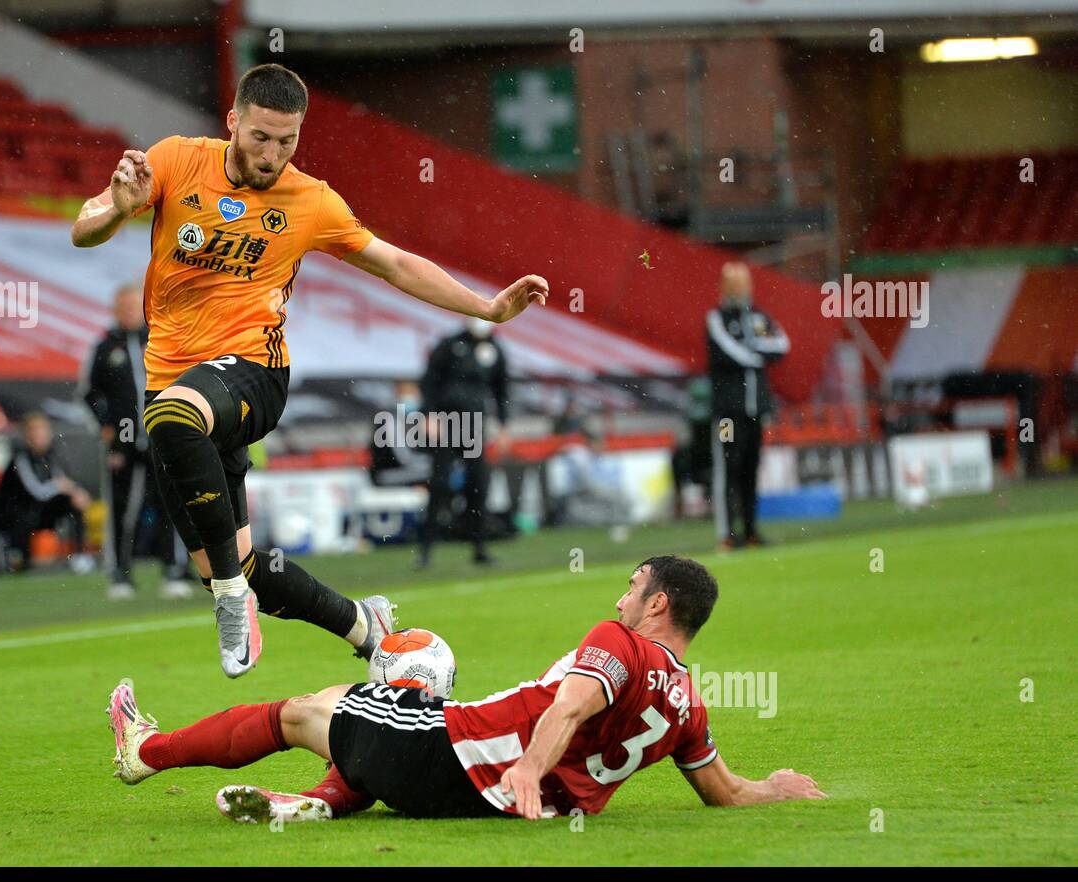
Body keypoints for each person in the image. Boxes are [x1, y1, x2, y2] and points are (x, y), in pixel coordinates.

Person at [70, 63, 548, 678]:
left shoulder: (311, 200)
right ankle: (361, 626)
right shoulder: (174, 160)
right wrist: (118, 211)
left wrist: (486, 307)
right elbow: (85, 228)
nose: (272, 154)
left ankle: (228, 599)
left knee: (173, 421)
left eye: (287, 140)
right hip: (176, 383)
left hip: (254, 374)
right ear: (233, 121)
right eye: (261, 137)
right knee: (231, 561)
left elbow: (394, 263)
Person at [107, 555, 826, 822]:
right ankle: (324, 800)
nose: (619, 601)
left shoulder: (620, 645)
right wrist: (779, 786)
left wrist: (528, 764)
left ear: (659, 606)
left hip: (461, 757)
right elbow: (725, 792)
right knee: (370, 724)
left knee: (305, 710)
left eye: (633, 588)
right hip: (493, 798)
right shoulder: (688, 705)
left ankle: (148, 750)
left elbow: (573, 705)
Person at [81, 283, 193, 600]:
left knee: (172, 504)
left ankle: (176, 570)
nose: (130, 313)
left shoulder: (162, 338)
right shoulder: (104, 348)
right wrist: (105, 426)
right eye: (124, 307)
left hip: (163, 435)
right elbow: (89, 394)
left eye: (134, 306)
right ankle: (120, 575)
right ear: (115, 311)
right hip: (123, 441)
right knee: (123, 509)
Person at [706, 262, 790, 550]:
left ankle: (751, 530)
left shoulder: (758, 317)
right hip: (729, 412)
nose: (741, 289)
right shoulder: (716, 318)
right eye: (734, 284)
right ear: (724, 287)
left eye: (744, 283)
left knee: (751, 470)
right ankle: (727, 534)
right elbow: (731, 353)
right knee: (728, 469)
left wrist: (756, 349)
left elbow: (781, 345)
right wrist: (757, 354)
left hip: (756, 410)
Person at [417, 318, 512, 568]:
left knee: (478, 485)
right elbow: (429, 381)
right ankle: (425, 550)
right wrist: (428, 414)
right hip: (447, 423)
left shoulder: (495, 350)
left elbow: (501, 390)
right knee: (439, 485)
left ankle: (479, 547)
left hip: (474, 426)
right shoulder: (449, 345)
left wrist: (503, 425)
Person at [0, 412, 91, 572]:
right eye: (36, 430)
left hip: (43, 511)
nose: (41, 435)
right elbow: (37, 491)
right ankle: (19, 559)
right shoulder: (20, 459)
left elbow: (63, 481)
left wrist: (76, 491)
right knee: (22, 518)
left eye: (43, 430)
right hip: (20, 515)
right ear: (27, 435)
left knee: (74, 503)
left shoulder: (51, 456)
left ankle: (79, 556)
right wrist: (61, 486)